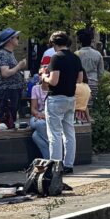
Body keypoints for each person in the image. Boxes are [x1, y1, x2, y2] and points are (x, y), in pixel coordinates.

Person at [42, 30, 83, 174]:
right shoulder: (75, 58)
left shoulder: (56, 58)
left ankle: (56, 166)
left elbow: (53, 81)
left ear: (54, 43)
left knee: (54, 133)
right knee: (69, 132)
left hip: (56, 98)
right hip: (71, 98)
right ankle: (69, 164)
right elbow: (79, 79)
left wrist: (43, 77)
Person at [0, 30, 27, 129]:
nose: (18, 39)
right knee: (5, 119)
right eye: (16, 37)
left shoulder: (9, 53)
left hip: (14, 90)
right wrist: (19, 66)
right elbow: (5, 73)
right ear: (10, 40)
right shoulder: (3, 54)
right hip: (8, 91)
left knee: (11, 119)